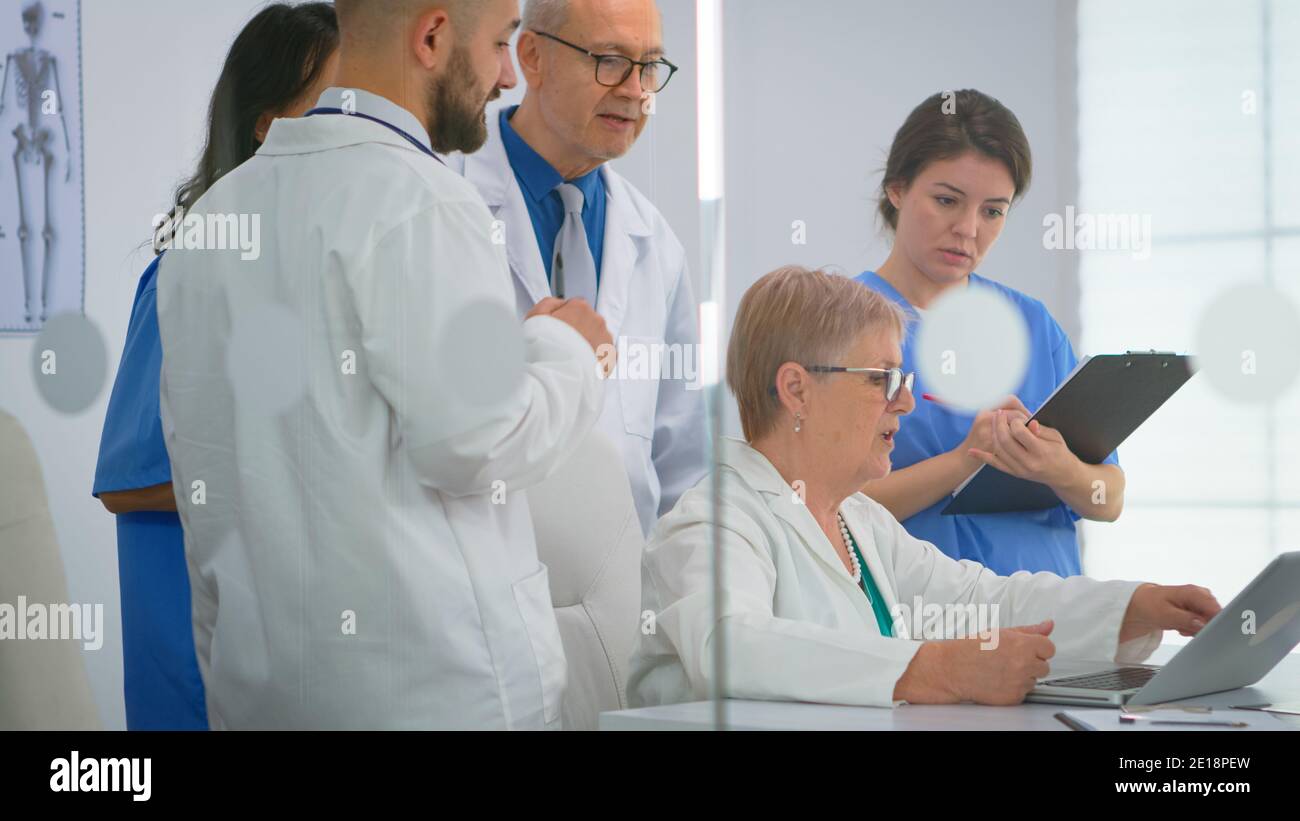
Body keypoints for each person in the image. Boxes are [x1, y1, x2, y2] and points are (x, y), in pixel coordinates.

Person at [156, 0, 612, 729]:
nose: (504, 78)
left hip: (261, 696)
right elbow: (478, 439)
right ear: (432, 37)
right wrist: (571, 354)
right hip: (437, 697)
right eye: (499, 45)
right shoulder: (424, 200)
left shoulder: (208, 225)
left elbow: (208, 490)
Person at [627, 267, 1219, 708]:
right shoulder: (713, 521)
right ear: (797, 390)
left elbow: (974, 602)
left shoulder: (856, 520)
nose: (905, 402)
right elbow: (730, 647)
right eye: (882, 379)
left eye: (903, 378)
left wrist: (1131, 607)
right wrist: (933, 669)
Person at [93, 1, 340, 730]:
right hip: (196, 670)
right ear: (269, 125)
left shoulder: (316, 271)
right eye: (335, 104)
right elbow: (127, 481)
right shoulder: (189, 272)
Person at [448, 0, 706, 537]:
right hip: (486, 572)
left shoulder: (655, 243)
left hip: (626, 594)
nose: (636, 91)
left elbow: (682, 464)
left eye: (650, 67)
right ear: (533, 57)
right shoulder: (445, 202)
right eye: (610, 60)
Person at [856, 89, 1123, 577]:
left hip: (1054, 622)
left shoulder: (1032, 325)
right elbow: (822, 507)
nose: (967, 229)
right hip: (923, 630)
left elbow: (1109, 498)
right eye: (946, 200)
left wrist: (1057, 468)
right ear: (896, 189)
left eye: (993, 211)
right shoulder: (840, 326)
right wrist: (965, 461)